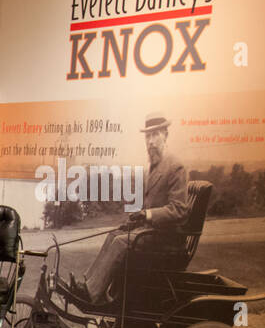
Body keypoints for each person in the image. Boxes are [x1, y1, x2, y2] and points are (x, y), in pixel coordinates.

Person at [72, 113, 190, 305]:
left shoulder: (175, 167)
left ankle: (91, 294)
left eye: (155, 135)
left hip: (168, 239)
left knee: (121, 242)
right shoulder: (154, 166)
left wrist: (148, 214)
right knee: (115, 235)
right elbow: (150, 204)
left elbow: (179, 210)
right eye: (147, 137)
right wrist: (136, 219)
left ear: (165, 135)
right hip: (153, 233)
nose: (150, 142)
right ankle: (90, 286)